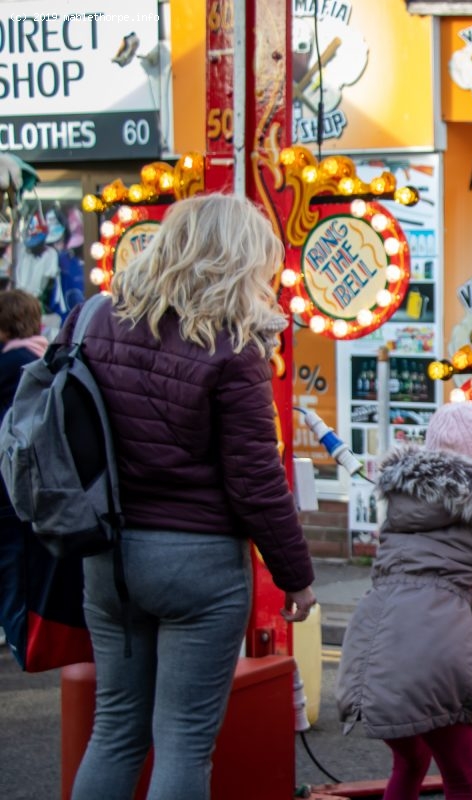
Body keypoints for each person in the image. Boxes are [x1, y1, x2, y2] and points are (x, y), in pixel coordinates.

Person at [65, 193, 317, 800]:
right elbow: (256, 481)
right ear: (239, 260)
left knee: (115, 730)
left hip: (108, 553)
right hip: (198, 563)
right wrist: (296, 575)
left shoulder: (94, 317)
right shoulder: (234, 347)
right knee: (182, 741)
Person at [336, 400, 472, 800]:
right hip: (438, 655)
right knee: (461, 778)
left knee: (409, 761)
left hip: (373, 648)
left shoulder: (399, 503)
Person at [0, 289, 47, 654]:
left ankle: (17, 640)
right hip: (31, 487)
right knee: (20, 577)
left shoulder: (8, 364)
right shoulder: (42, 359)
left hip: (6, 486)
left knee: (10, 576)